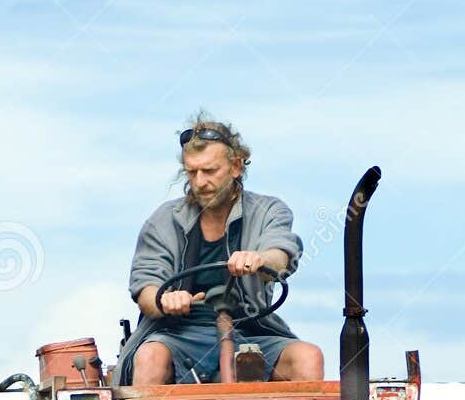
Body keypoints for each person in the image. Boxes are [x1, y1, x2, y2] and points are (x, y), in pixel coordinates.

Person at [116, 117, 324, 385]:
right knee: (149, 357)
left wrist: (260, 260)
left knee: (308, 357)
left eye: (210, 171)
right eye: (192, 173)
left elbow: (280, 254)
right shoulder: (163, 220)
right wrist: (163, 300)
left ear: (236, 166)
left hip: (249, 329)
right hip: (180, 335)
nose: (200, 182)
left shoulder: (269, 210)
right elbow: (145, 287)